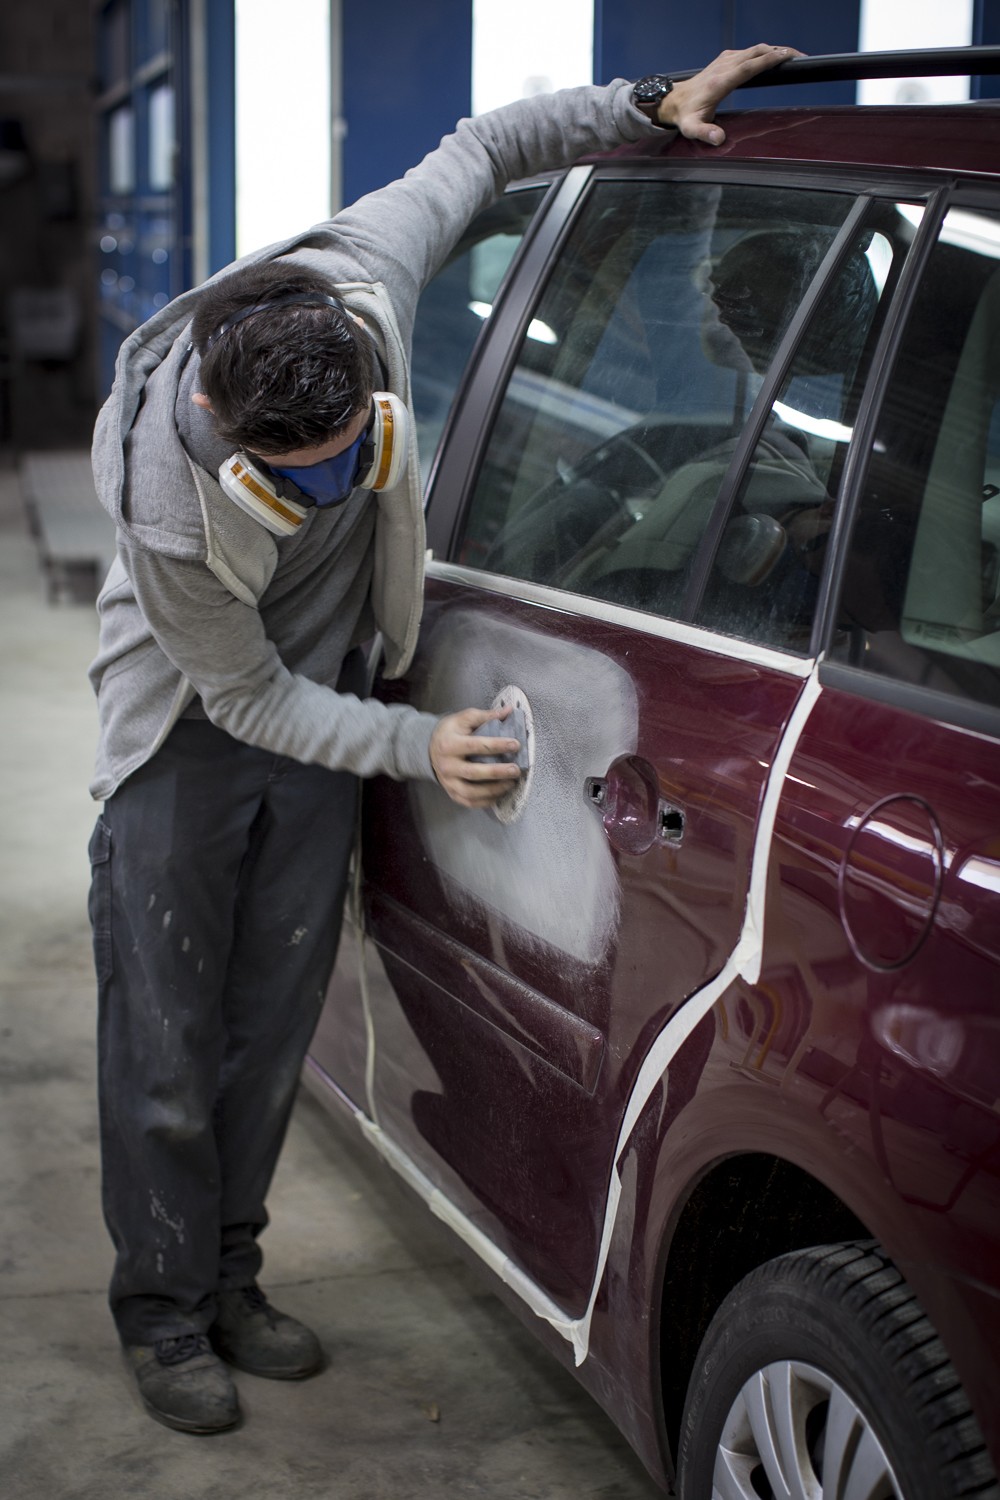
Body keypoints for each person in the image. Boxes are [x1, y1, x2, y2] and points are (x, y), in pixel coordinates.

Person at [86, 43, 798, 1436]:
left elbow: (481, 146)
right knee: (166, 1049)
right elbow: (245, 701)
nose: (352, 482)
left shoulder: (364, 278)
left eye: (364, 445)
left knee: (271, 1028)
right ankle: (160, 1312)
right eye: (309, 482)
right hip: (193, 735)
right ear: (227, 435)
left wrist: (644, 107)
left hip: (321, 710)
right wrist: (416, 747)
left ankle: (231, 1279)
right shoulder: (168, 501)